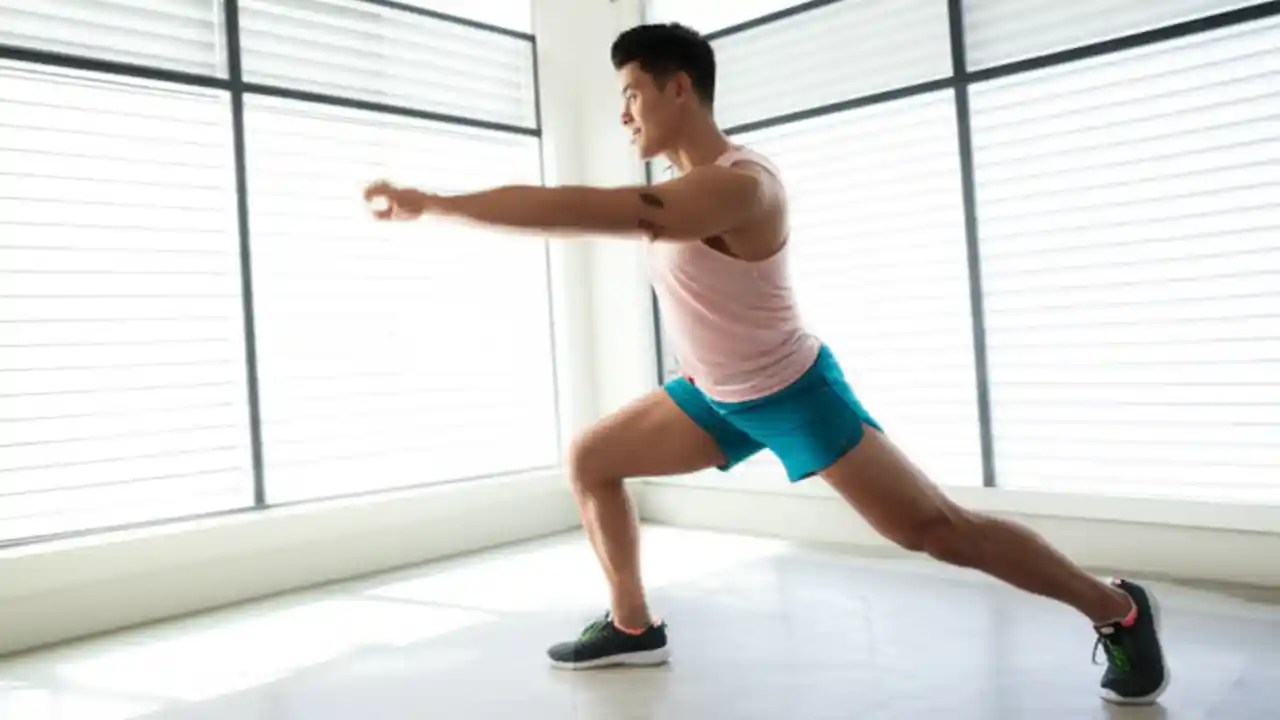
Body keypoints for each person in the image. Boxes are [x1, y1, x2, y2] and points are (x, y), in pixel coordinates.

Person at [362, 23, 1168, 706]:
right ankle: (634, 626)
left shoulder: (741, 188)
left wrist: (438, 204)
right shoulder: (686, 185)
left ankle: (1116, 609)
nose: (623, 114)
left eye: (632, 95)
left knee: (936, 531)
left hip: (791, 390)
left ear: (681, 90)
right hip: (713, 395)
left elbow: (586, 209)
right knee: (593, 458)